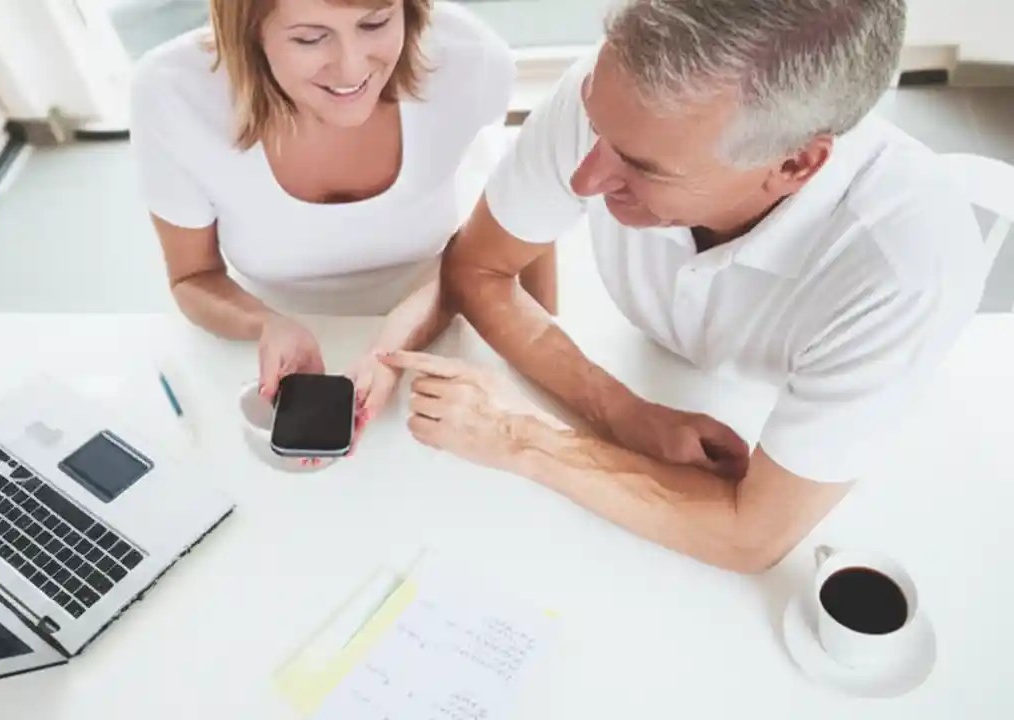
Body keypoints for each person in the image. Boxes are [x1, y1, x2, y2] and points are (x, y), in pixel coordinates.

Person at [382, 0, 987, 572]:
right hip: (644, 368)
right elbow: (478, 267)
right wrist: (620, 412)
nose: (587, 179)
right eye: (595, 127)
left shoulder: (909, 266)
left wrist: (521, 437)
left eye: (643, 167)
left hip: (819, 443)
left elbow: (751, 537)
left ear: (794, 166)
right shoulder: (623, 95)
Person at [130, 0, 550, 440]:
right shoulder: (172, 92)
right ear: (249, 30)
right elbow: (193, 277)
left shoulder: (469, 59)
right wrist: (266, 323)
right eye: (310, 38)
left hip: (444, 316)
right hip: (271, 349)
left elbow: (527, 220)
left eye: (376, 23)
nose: (351, 69)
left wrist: (540, 362)